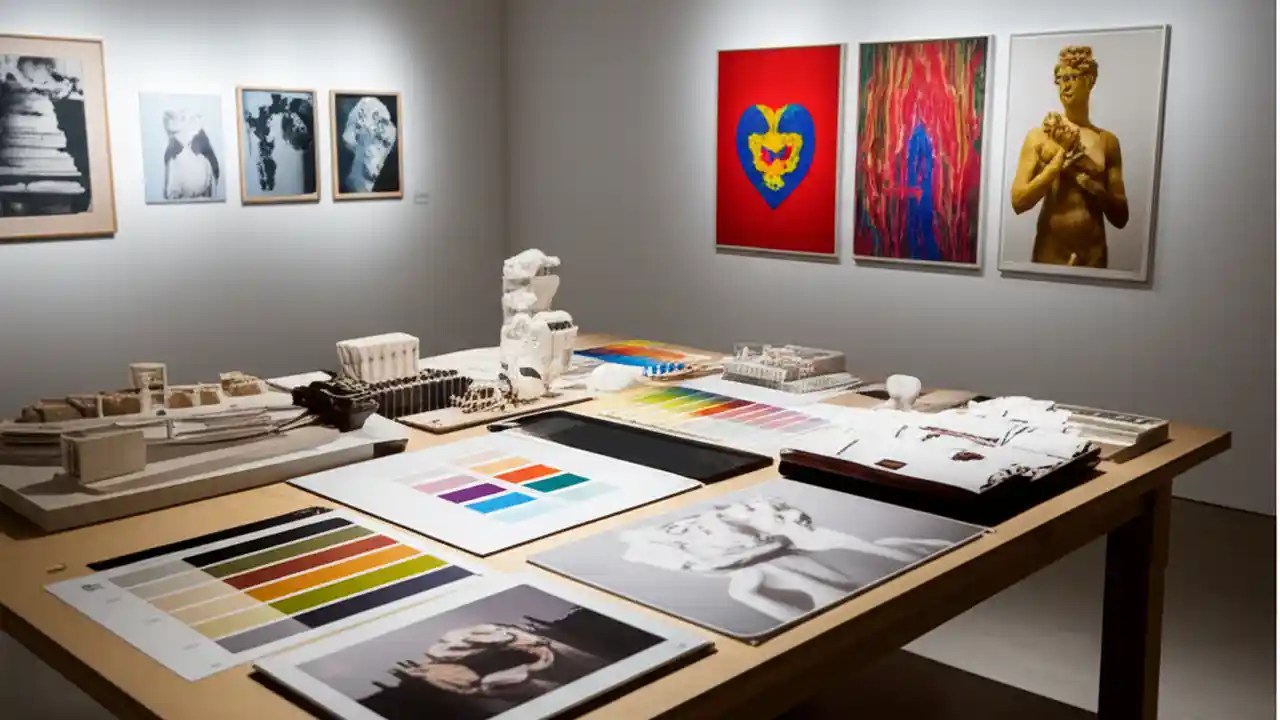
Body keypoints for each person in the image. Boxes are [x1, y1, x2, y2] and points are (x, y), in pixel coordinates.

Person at [620, 497, 951, 622]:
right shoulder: (748, 583)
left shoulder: (880, 544)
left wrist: (861, 545)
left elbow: (931, 564)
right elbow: (846, 617)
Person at [1010, 45, 1129, 268]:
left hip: (1093, 254)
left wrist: (1096, 189)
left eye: (1073, 77)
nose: (1066, 84)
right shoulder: (1040, 136)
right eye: (1061, 78)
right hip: (1050, 251)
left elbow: (1121, 216)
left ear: (1090, 81)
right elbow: (1018, 201)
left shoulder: (1107, 141)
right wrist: (1056, 165)